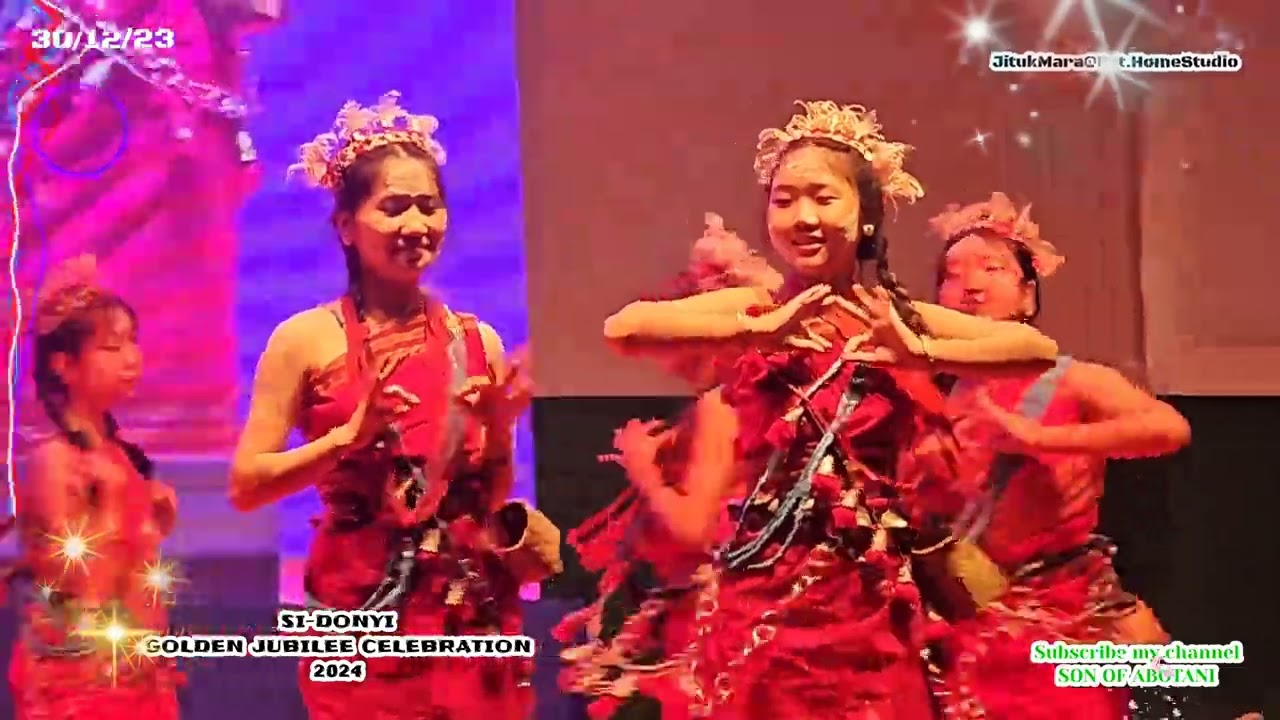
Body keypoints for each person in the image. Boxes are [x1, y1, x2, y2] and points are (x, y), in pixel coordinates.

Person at [602, 100, 1065, 719]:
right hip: (760, 608)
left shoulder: (890, 315)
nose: (802, 217)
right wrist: (752, 333)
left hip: (866, 608)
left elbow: (1037, 349)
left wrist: (917, 348)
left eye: (823, 197)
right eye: (784, 199)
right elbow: (624, 328)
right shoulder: (759, 305)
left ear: (866, 215)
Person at [229, 91, 552, 719]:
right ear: (347, 226)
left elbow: (488, 496)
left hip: (468, 615)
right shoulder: (305, 339)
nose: (417, 225)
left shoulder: (475, 339)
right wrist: (345, 439)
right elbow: (246, 486)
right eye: (394, 207)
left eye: (430, 207)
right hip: (360, 618)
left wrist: (499, 430)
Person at [931, 192, 1191, 719]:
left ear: (1028, 295)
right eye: (952, 273)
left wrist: (1041, 440)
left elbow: (1169, 428)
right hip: (967, 605)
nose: (971, 285)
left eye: (992, 268)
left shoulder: (1072, 379)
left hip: (1066, 608)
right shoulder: (932, 392)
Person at [558, 214, 786, 720]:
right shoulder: (730, 402)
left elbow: (697, 529)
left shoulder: (722, 404)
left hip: (704, 619)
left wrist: (644, 468)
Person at [10, 255, 181, 719]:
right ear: (65, 365)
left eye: (132, 342)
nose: (132, 358)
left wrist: (151, 522)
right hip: (82, 686)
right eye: (112, 346)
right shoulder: (54, 462)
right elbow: (80, 592)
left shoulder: (121, 455)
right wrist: (109, 511)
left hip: (139, 674)